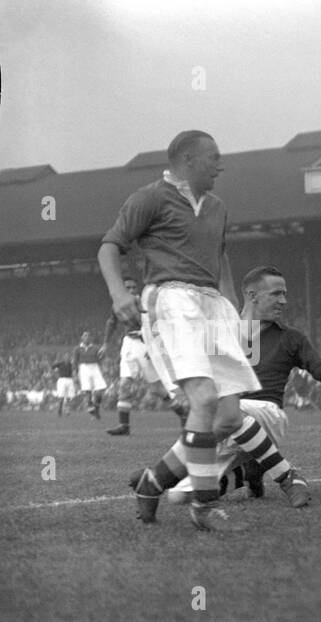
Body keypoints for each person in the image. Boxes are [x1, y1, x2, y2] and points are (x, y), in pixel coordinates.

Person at [98, 129, 262, 532]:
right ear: (187, 160)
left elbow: (220, 257)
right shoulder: (150, 197)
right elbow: (109, 246)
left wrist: (231, 309)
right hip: (172, 300)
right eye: (214, 158)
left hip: (212, 304)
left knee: (227, 416)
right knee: (203, 399)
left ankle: (152, 483)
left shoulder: (219, 207)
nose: (220, 166)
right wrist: (120, 293)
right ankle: (203, 508)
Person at [165, 265, 321, 505]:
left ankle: (287, 476)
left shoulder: (291, 338)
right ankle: (250, 473)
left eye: (284, 294)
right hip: (226, 420)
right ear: (252, 296)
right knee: (176, 496)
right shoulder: (222, 333)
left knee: (227, 413)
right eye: (277, 293)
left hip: (266, 414)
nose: (284, 301)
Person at [106, 275, 188, 435]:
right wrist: (105, 343)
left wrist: (154, 348)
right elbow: (111, 322)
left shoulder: (145, 304)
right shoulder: (118, 305)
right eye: (127, 288)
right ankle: (124, 425)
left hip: (145, 344)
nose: (130, 290)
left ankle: (183, 414)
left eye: (133, 288)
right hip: (128, 343)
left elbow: (158, 324)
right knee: (124, 384)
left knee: (157, 389)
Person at [73, 331, 107, 419]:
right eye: (85, 336)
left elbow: (101, 359)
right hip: (83, 368)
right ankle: (90, 406)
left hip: (94, 367)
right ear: (82, 338)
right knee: (87, 390)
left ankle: (96, 408)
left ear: (90, 338)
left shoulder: (95, 348)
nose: (87, 337)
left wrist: (103, 366)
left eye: (88, 336)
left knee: (99, 391)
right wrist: (75, 373)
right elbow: (75, 361)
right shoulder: (77, 349)